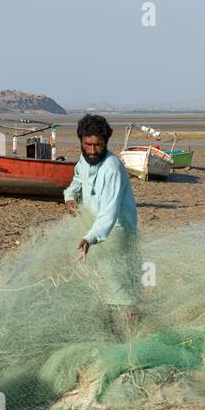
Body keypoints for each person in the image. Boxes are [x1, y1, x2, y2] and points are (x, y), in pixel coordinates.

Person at [64, 114, 140, 333]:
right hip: (92, 232)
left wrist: (90, 237)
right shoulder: (84, 160)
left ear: (106, 143)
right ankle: (109, 334)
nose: (92, 150)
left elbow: (109, 211)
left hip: (116, 233)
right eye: (87, 144)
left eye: (98, 145)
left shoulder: (111, 168)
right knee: (99, 286)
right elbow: (76, 182)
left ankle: (132, 336)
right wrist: (70, 198)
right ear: (81, 141)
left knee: (121, 288)